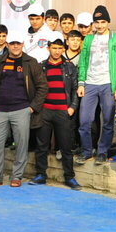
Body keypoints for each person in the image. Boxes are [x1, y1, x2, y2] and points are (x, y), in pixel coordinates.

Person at [0, 25, 47, 187]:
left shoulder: (30, 62)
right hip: (0, 110)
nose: (15, 46)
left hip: (22, 110)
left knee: (21, 145)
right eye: (12, 43)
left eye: (18, 43)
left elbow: (42, 86)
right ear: (7, 44)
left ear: (23, 43)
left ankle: (17, 176)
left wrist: (32, 107)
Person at [76, 5, 116, 164]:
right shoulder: (89, 39)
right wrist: (81, 82)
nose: (99, 25)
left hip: (108, 84)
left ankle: (102, 151)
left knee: (108, 121)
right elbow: (83, 62)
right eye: (96, 22)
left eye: (103, 21)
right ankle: (86, 150)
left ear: (108, 22)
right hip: (89, 83)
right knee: (84, 120)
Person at [30, 36, 81, 190]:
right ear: (48, 48)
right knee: (42, 145)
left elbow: (74, 89)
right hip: (45, 111)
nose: (57, 51)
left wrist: (72, 107)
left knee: (66, 147)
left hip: (63, 112)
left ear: (63, 49)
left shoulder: (69, 67)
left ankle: (69, 177)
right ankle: (40, 175)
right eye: (54, 48)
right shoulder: (42, 66)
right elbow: (36, 89)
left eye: (60, 48)